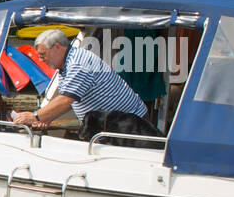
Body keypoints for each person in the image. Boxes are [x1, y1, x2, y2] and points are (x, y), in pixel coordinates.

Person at [12, 29, 153, 136]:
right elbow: (69, 98)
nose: (41, 60)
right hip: (115, 123)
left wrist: (35, 116)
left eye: (43, 55)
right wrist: (47, 116)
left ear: (57, 47)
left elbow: (66, 99)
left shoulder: (77, 63)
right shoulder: (65, 65)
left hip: (132, 124)